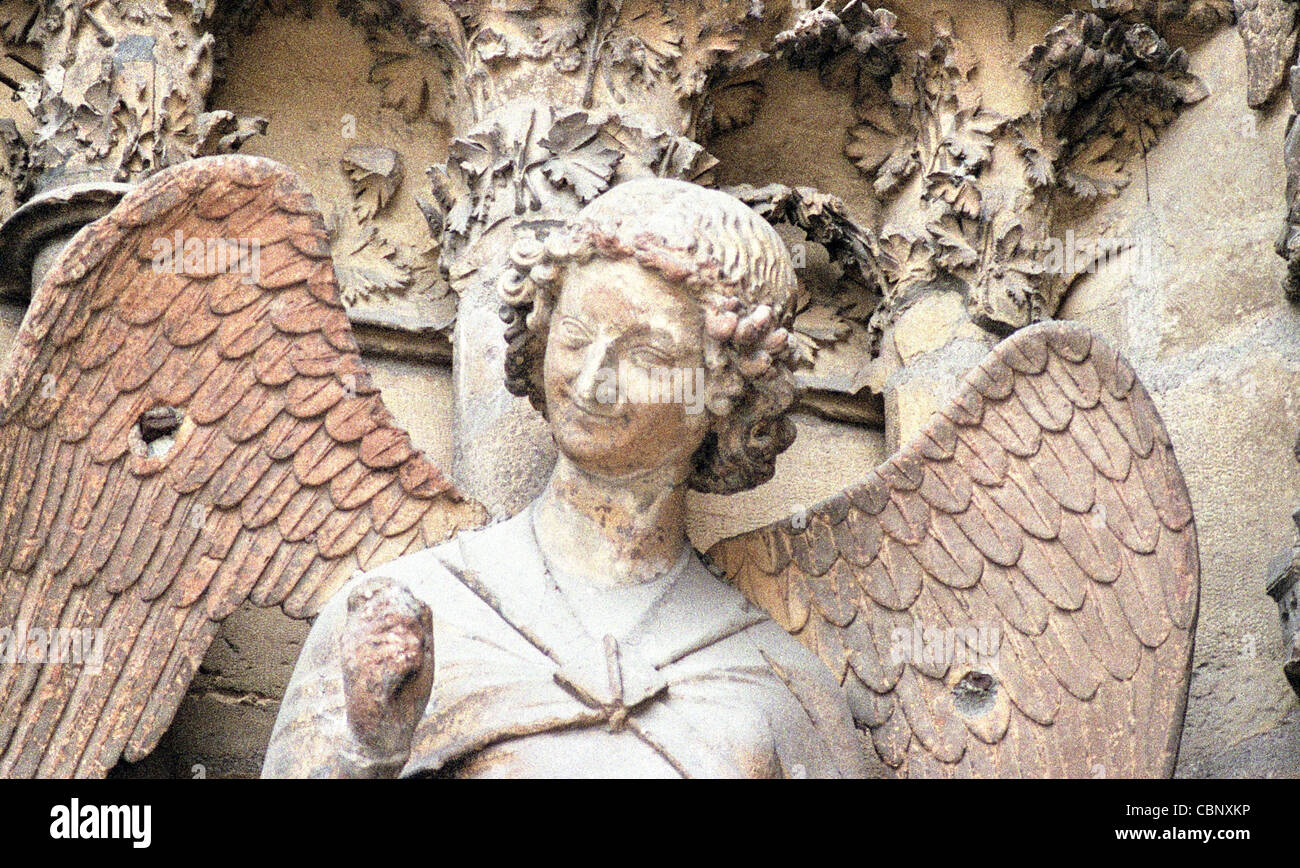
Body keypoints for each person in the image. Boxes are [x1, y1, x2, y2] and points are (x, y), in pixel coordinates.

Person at [262, 178, 868, 778]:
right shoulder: (412, 618)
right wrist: (372, 750)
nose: (591, 380)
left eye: (647, 355)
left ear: (727, 391)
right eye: (575, 338)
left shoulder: (778, 688)